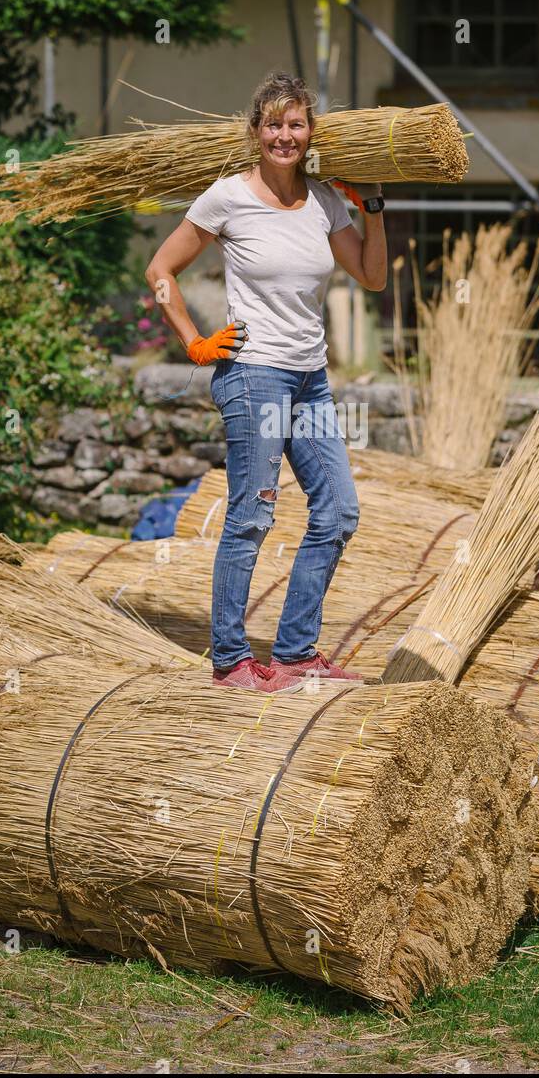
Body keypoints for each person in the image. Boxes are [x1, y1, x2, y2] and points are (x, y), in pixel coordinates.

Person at [145, 72, 387, 692]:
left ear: (310, 134)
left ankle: (296, 652)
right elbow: (161, 269)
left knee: (336, 511)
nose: (285, 135)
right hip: (254, 377)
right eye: (274, 124)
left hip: (309, 379)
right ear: (256, 130)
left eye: (297, 124)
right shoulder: (227, 197)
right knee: (252, 517)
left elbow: (373, 277)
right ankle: (230, 658)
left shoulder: (327, 202)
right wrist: (193, 343)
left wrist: (375, 209)